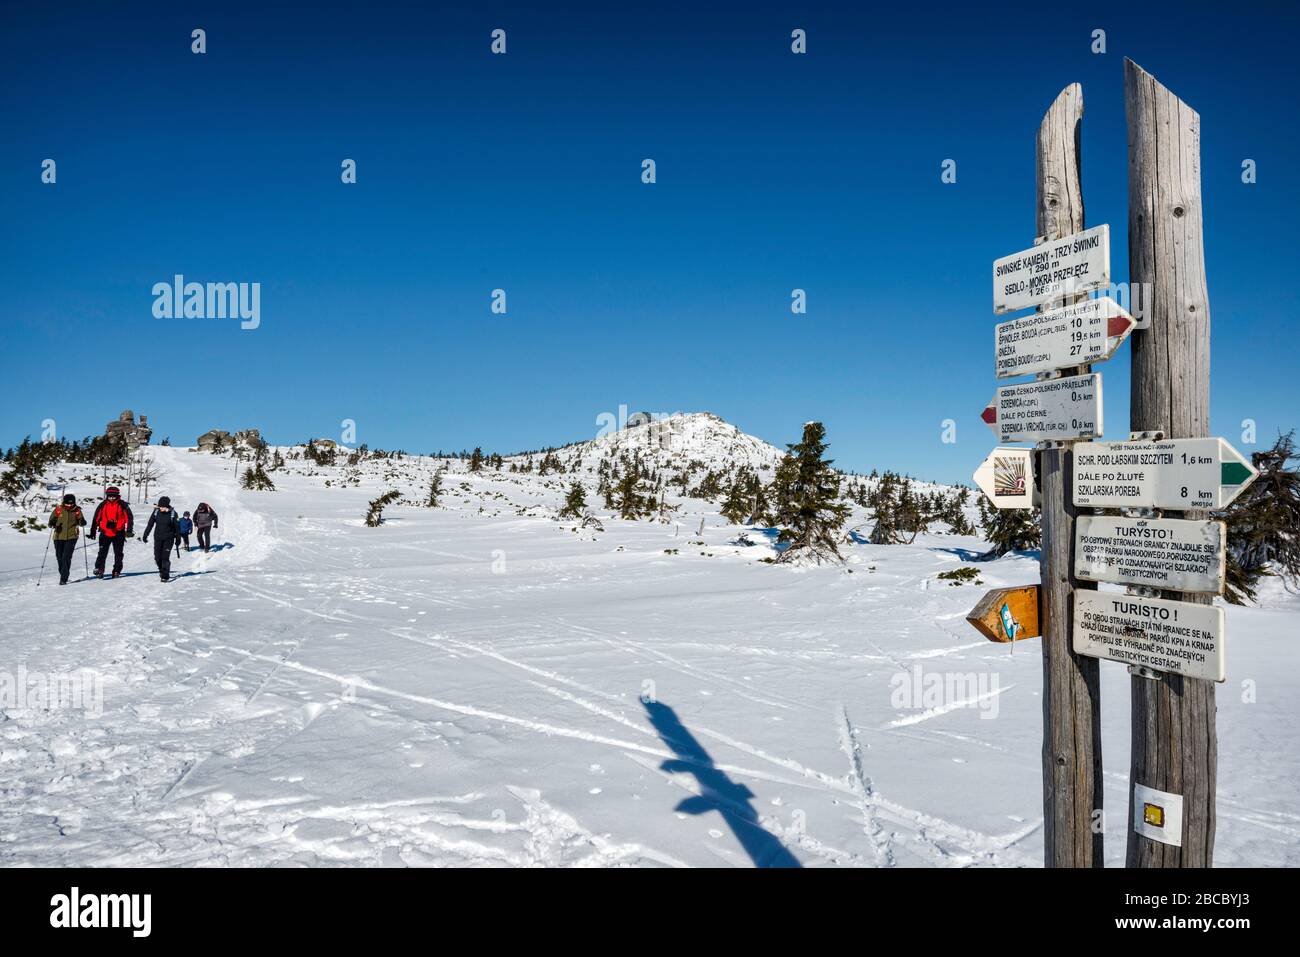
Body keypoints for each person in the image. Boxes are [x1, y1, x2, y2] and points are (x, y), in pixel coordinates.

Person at [88, 486, 134, 578]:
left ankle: (116, 570)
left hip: (119, 533)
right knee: (102, 552)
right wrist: (93, 531)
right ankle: (99, 569)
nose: (112, 498)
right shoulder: (102, 505)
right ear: (107, 496)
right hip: (105, 532)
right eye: (110, 496)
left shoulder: (123, 505)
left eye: (114, 496)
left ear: (117, 496)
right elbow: (96, 518)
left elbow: (129, 517)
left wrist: (129, 530)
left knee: (118, 553)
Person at [47, 493, 87, 585]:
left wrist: (82, 522)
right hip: (58, 536)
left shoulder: (77, 511)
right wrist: (54, 524)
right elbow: (50, 522)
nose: (69, 505)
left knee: (66, 557)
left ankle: (63, 579)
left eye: (71, 504)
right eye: (67, 504)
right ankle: (64, 574)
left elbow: (81, 521)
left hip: (72, 536)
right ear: (64, 502)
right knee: (59, 557)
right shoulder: (58, 510)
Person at [142, 496, 181, 581]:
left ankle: (165, 576)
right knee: (157, 557)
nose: (161, 508)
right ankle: (161, 569)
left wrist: (178, 539)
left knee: (165, 558)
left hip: (169, 539)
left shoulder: (173, 514)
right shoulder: (156, 512)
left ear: (167, 506)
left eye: (163, 507)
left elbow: (177, 527)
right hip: (158, 538)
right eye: (160, 507)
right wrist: (145, 535)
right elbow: (150, 524)